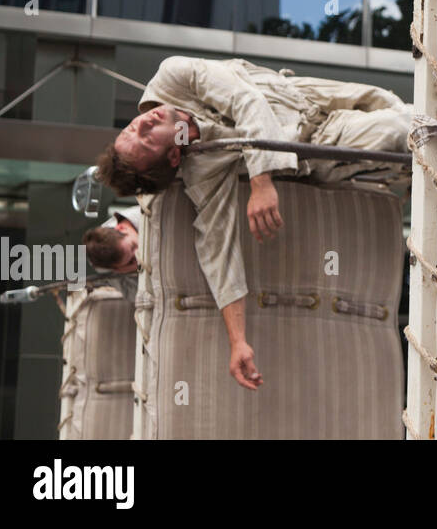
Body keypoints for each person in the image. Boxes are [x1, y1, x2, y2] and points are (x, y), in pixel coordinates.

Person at [94, 56, 412, 389]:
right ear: (174, 156)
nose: (145, 121)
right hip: (322, 142)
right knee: (404, 131)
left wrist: (261, 183)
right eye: (147, 137)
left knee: (409, 109)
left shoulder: (173, 77)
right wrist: (238, 343)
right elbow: (218, 251)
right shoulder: (202, 170)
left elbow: (246, 101)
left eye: (133, 126)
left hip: (309, 99)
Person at [82, 206, 143, 299]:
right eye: (131, 261)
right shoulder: (120, 279)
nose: (139, 255)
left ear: (122, 228)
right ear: (119, 270)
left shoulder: (147, 214)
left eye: (134, 246)